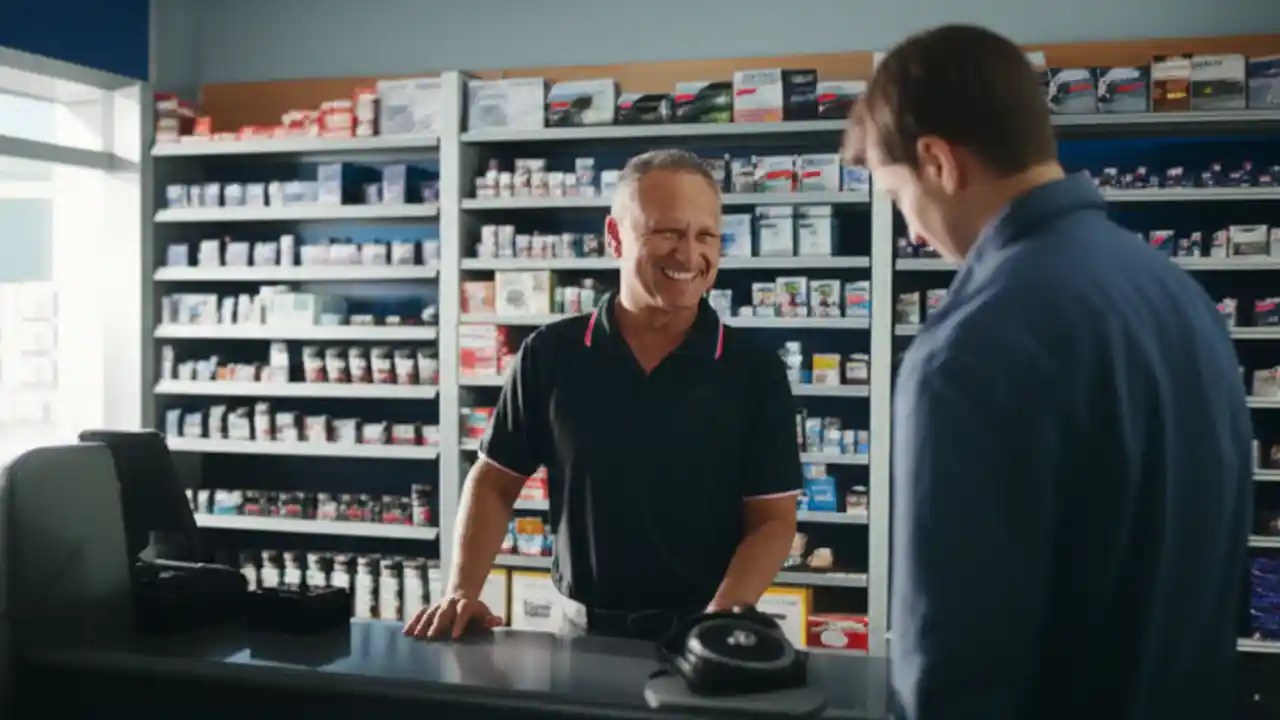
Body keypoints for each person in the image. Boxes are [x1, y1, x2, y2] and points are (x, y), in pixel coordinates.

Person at [844, 25, 1251, 720]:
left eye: (895, 194)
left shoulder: (970, 348)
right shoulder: (1179, 296)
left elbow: (956, 667)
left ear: (938, 161)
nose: (912, 231)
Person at [404, 149, 802, 642]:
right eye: (667, 232)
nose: (689, 255)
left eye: (706, 236)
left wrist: (721, 616)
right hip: (580, 631)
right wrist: (462, 589)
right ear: (614, 236)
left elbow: (772, 521)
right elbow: (494, 481)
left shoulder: (753, 369)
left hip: (705, 629)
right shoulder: (551, 354)